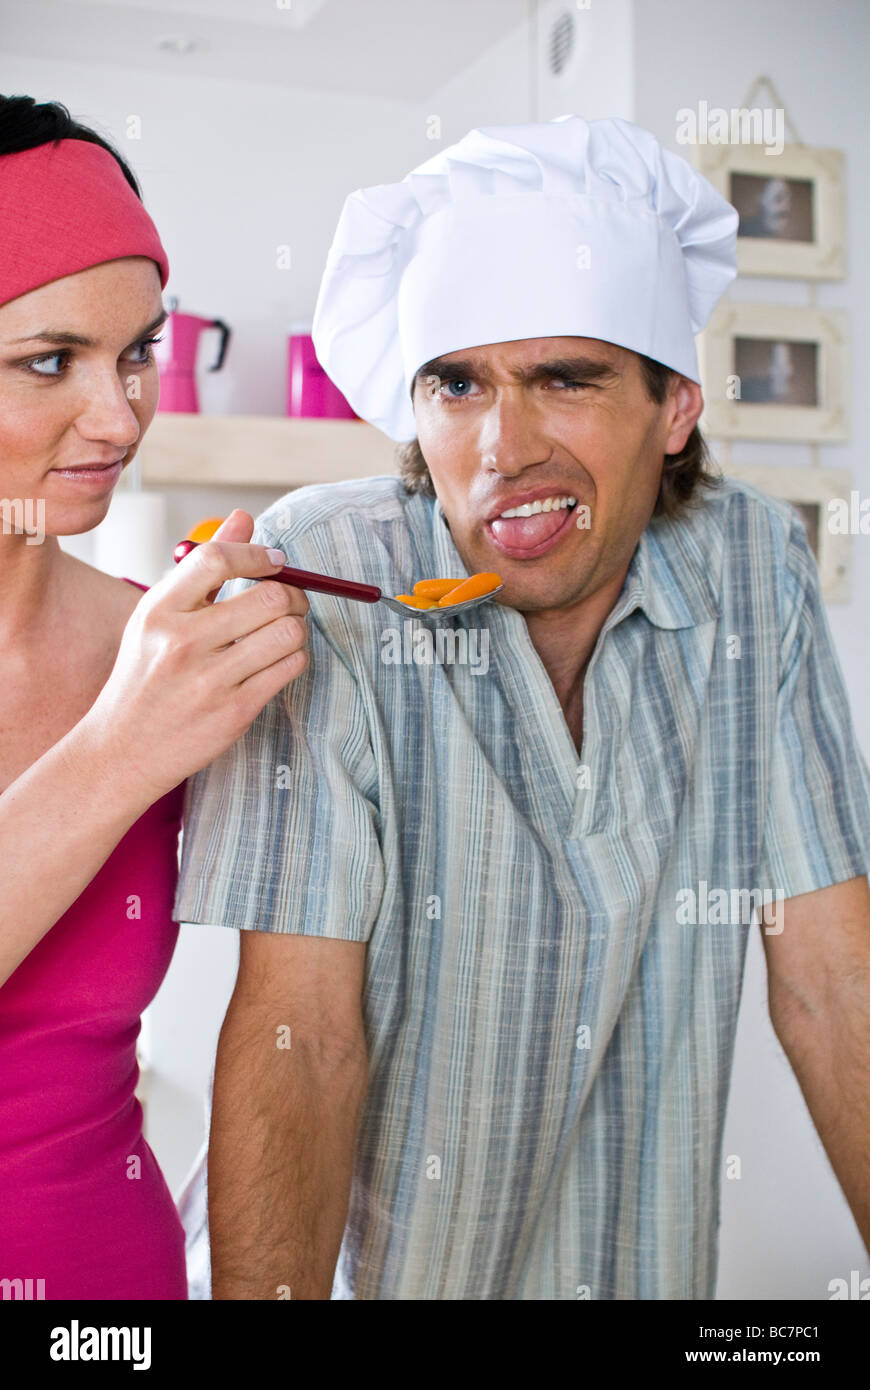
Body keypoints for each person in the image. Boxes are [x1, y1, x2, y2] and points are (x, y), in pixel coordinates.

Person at [174, 115, 870, 1300]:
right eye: (457, 383)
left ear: (676, 408)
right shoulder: (323, 574)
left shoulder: (756, 566)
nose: (504, 444)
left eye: (565, 378)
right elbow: (302, 1036)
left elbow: (833, 983)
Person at [0, 94, 310, 1300]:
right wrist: (123, 747)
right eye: (48, 361)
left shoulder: (158, 639)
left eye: (138, 350)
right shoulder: (151, 695)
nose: (122, 413)